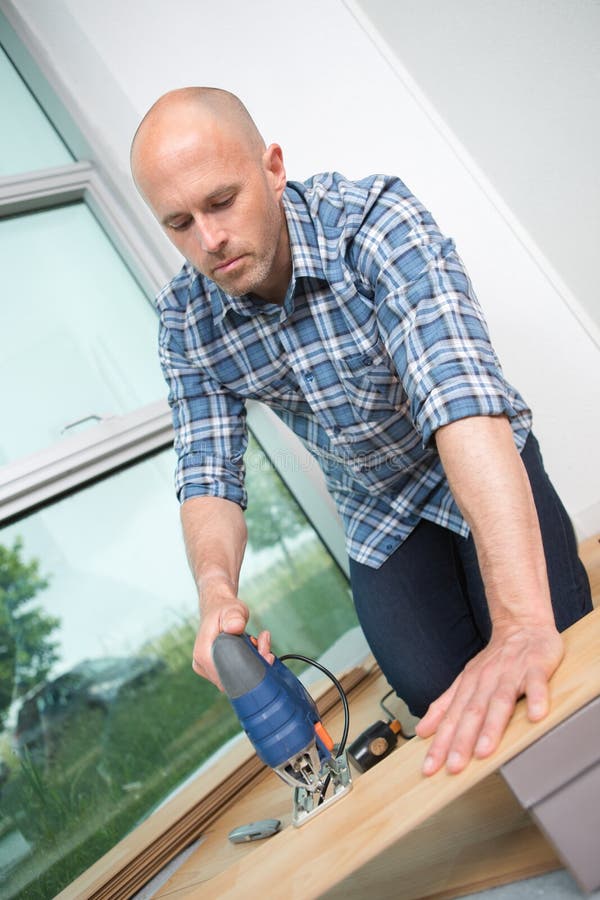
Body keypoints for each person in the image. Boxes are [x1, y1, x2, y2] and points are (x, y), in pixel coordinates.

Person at [130, 87, 592, 777]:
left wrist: (521, 624)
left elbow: (459, 403)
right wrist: (216, 590)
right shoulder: (184, 323)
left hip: (470, 453)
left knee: (551, 655)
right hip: (376, 508)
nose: (209, 240)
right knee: (437, 694)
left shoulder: (376, 221)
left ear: (273, 168)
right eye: (179, 222)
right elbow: (207, 476)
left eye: (221, 202)